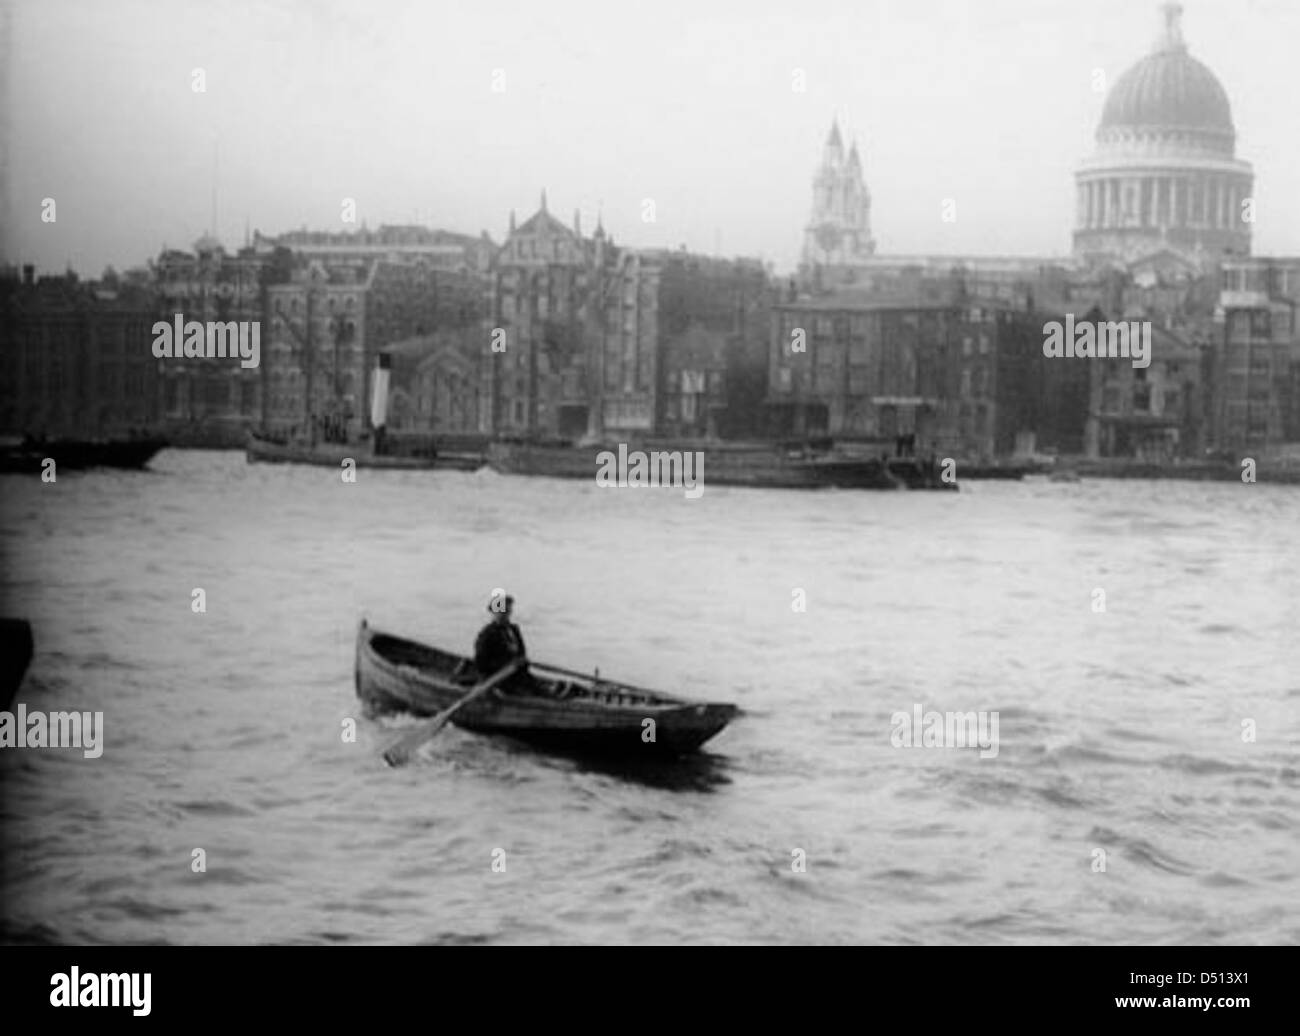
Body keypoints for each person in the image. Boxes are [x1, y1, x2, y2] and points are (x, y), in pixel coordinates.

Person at [472, 595, 533, 695]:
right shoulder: (487, 634)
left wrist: (522, 662)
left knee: (535, 687)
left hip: (517, 676)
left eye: (507, 611)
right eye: (500, 612)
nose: (504, 615)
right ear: (494, 613)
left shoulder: (514, 630)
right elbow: (481, 664)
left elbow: (522, 653)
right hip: (497, 679)